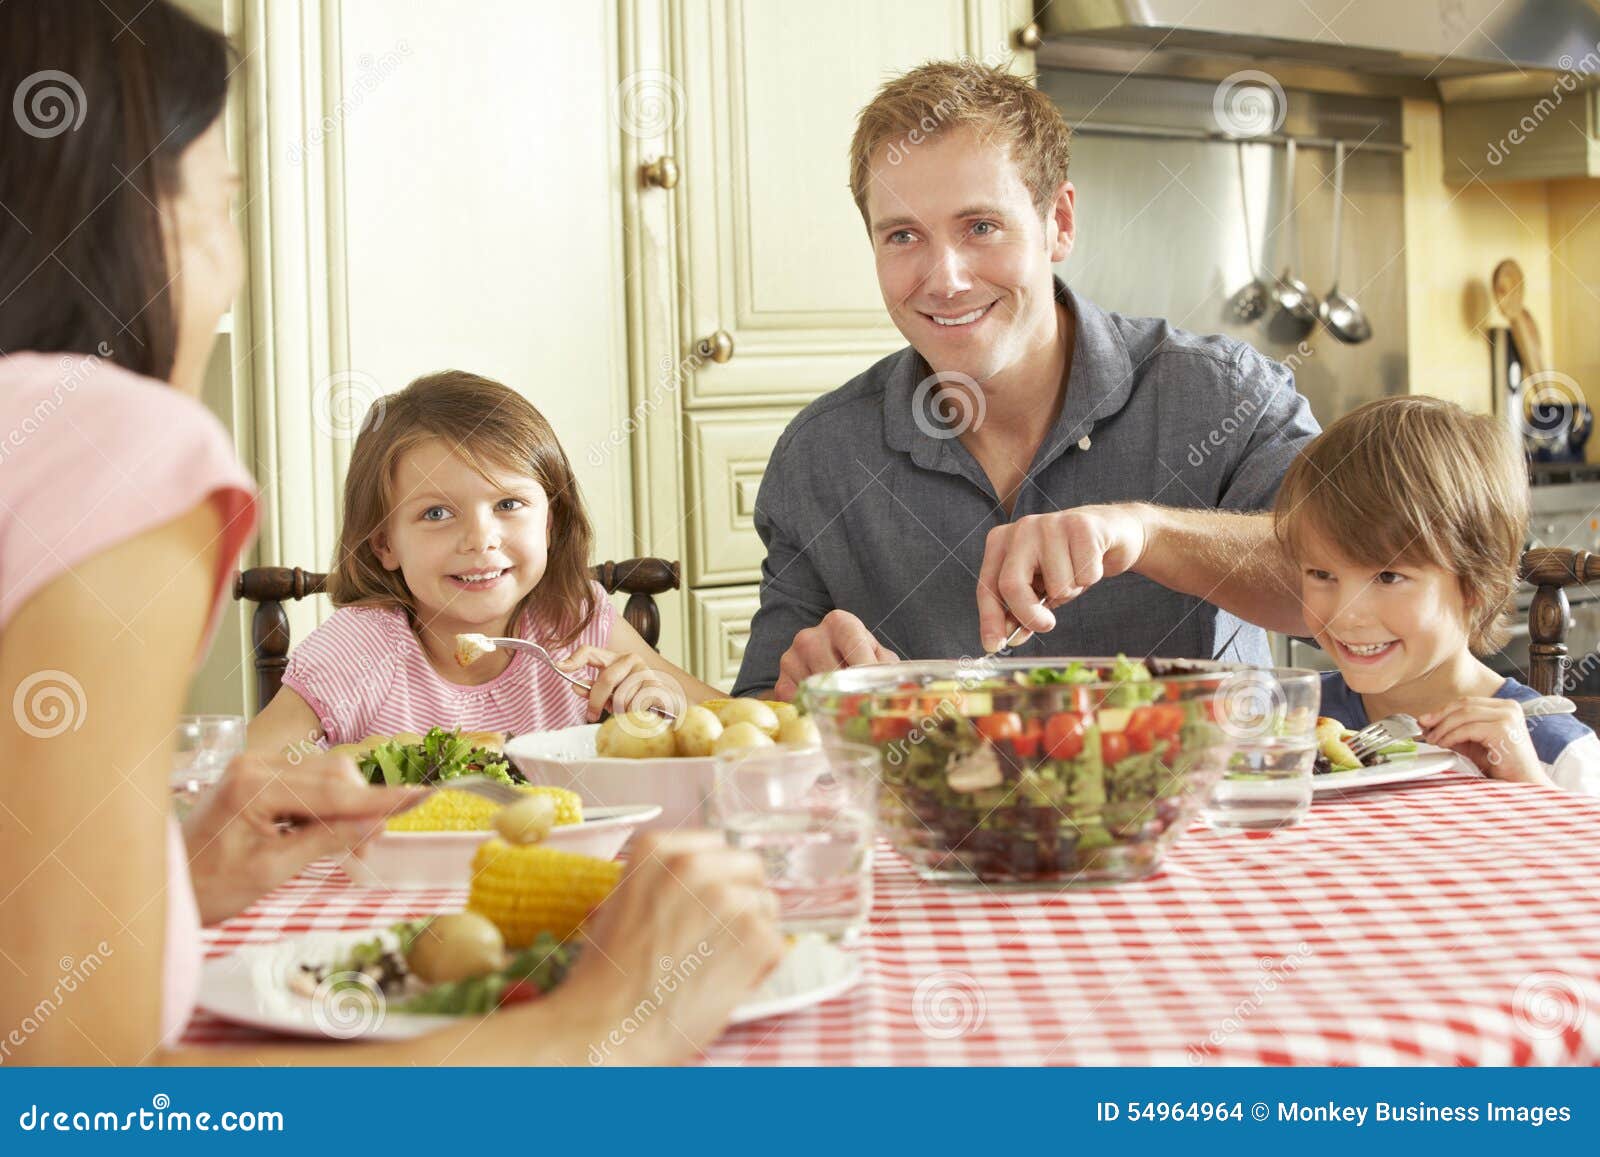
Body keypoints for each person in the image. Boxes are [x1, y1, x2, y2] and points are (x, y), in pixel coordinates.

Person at [0, 0, 781, 1065]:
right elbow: (70, 1102)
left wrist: (177, 883)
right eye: (221, 205)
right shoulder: (98, 435)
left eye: (511, 504)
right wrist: (594, 1027)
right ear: (131, 224)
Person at [733, 61, 1320, 702]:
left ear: (1058, 222)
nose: (945, 279)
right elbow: (761, 713)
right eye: (903, 236)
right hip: (934, 805)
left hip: (1196, 798)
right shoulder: (820, 457)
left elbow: (1342, 588)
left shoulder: (1225, 396)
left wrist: (1144, 534)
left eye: (980, 227)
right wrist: (803, 687)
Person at [246, 371, 721, 757]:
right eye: (436, 513)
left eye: (508, 504)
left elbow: (741, 732)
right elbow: (242, 784)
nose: (479, 540)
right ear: (384, 545)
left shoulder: (574, 620)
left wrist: (666, 708)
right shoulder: (361, 648)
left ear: (550, 522)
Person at [1274, 396, 1600, 794]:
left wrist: (1526, 786)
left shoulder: (1553, 751)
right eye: (1322, 574)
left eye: (1388, 577)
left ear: (1480, 582)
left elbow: (1578, 852)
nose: (1346, 616)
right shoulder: (1291, 722)